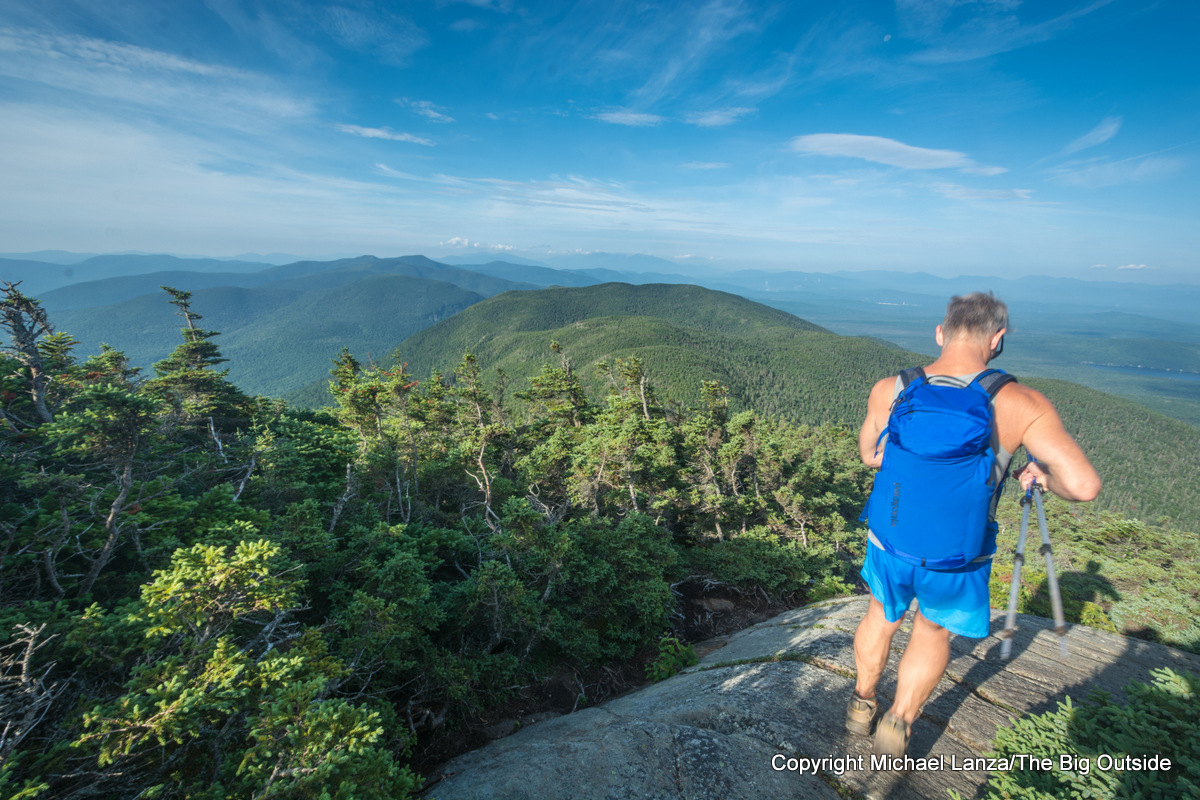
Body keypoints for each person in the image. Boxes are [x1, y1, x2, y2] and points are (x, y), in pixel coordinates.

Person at [846, 291, 1101, 758]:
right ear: (998, 339)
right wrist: (1042, 476)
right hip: (957, 552)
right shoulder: (1021, 402)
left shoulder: (893, 388)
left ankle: (861, 704)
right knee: (932, 630)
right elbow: (1083, 486)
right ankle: (897, 725)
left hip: (890, 535)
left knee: (880, 615)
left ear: (940, 333)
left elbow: (869, 456)